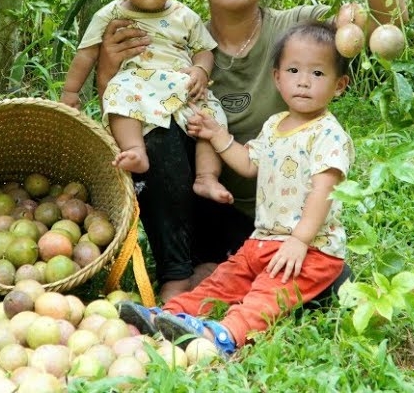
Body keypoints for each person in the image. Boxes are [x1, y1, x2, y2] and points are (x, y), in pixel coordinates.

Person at [97, 0, 405, 299]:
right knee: (156, 132)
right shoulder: (171, 40)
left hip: (280, 218)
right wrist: (106, 67)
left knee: (329, 289)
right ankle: (183, 267)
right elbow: (121, 109)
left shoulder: (298, 33)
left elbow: (383, 22)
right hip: (198, 211)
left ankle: (227, 268)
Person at [116, 21, 355, 354]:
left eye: (317, 74)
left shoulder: (328, 134)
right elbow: (247, 163)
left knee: (268, 293)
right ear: (277, 77)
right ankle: (168, 316)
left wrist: (300, 240)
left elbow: (323, 190)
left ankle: (225, 335)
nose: (303, 81)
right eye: (294, 70)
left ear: (339, 85)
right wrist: (218, 136)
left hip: (310, 249)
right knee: (223, 280)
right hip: (262, 241)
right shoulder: (274, 125)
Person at [60, 0, 235, 191]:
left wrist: (200, 69)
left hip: (181, 84)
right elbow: (87, 53)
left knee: (211, 116)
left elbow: (204, 49)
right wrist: (70, 91)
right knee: (119, 95)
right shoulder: (111, 14)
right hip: (137, 82)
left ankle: (206, 177)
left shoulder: (184, 15)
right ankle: (135, 150)